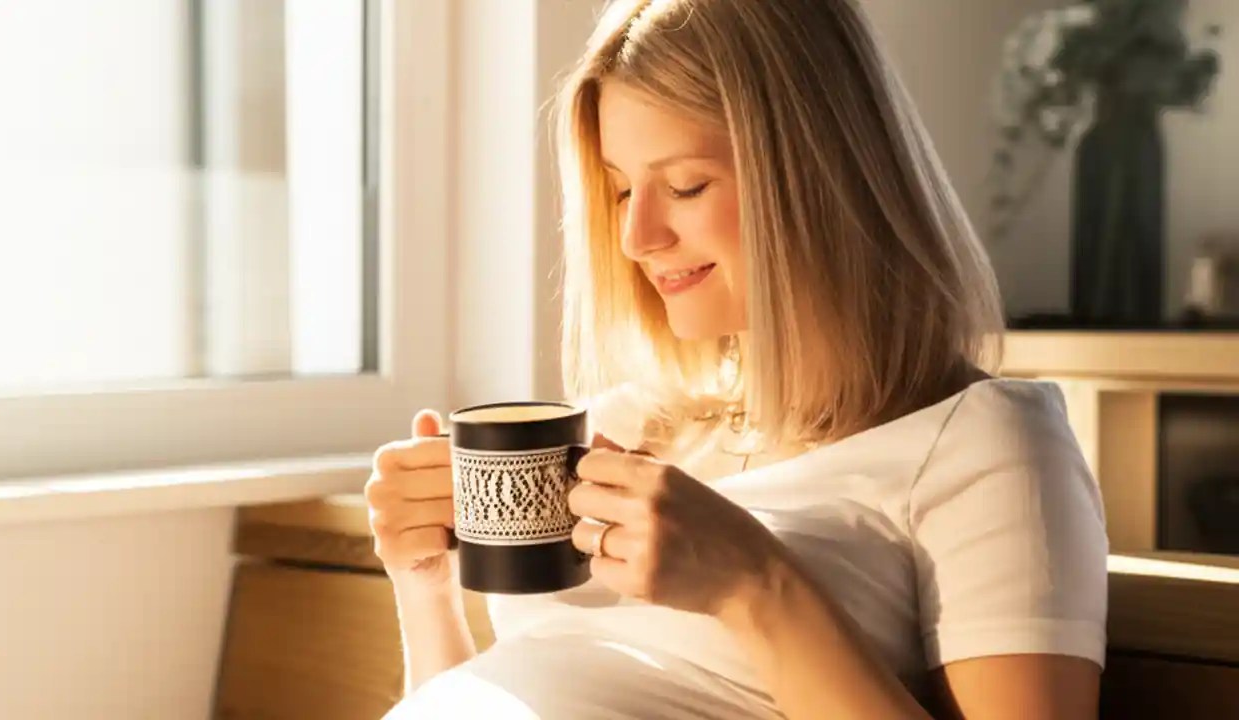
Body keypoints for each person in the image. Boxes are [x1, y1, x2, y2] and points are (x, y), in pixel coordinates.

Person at [364, 0, 1108, 717]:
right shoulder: (627, 423)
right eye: (621, 192)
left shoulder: (981, 444)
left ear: (818, 176)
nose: (636, 237)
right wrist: (424, 583)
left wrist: (756, 585)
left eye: (685, 186)